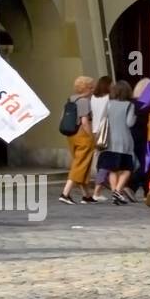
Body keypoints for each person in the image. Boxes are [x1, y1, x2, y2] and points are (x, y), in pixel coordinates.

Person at [97, 81, 138, 204]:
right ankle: (118, 191)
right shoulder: (129, 105)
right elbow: (129, 123)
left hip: (109, 140)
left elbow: (102, 120)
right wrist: (135, 117)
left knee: (112, 169)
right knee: (127, 168)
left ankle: (115, 192)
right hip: (124, 141)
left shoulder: (108, 104)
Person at [60, 76, 97, 205]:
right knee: (80, 164)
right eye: (92, 87)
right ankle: (65, 193)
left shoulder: (70, 100)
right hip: (82, 135)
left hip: (71, 135)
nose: (93, 89)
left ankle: (86, 195)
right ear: (87, 88)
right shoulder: (84, 101)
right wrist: (91, 136)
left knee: (81, 164)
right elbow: (85, 121)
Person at [88, 76, 113, 202]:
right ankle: (97, 191)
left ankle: (106, 187)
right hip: (105, 131)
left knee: (101, 160)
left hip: (95, 129)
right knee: (106, 161)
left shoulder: (93, 97)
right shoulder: (109, 98)